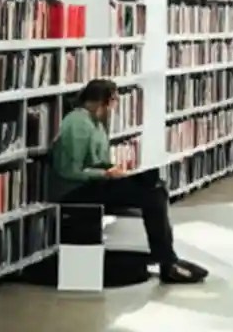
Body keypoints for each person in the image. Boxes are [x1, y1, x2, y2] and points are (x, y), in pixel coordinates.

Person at [50, 79, 207, 284]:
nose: (116, 107)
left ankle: (167, 260)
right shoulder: (77, 123)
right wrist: (106, 175)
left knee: (153, 185)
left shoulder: (97, 123)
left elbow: (97, 161)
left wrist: (113, 170)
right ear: (103, 101)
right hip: (75, 190)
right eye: (114, 101)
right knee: (153, 193)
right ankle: (167, 262)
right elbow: (68, 171)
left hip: (93, 183)